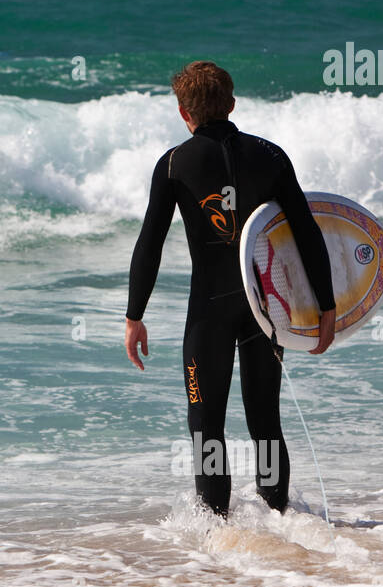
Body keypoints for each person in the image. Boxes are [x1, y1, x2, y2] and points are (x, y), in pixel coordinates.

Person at [123, 61, 336, 518]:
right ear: (232, 105)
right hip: (266, 309)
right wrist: (327, 307)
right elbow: (307, 234)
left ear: (184, 112)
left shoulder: (176, 163)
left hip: (208, 313)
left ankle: (216, 536)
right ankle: (280, 522)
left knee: (206, 427)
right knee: (265, 421)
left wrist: (134, 315)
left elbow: (150, 244)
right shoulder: (271, 156)